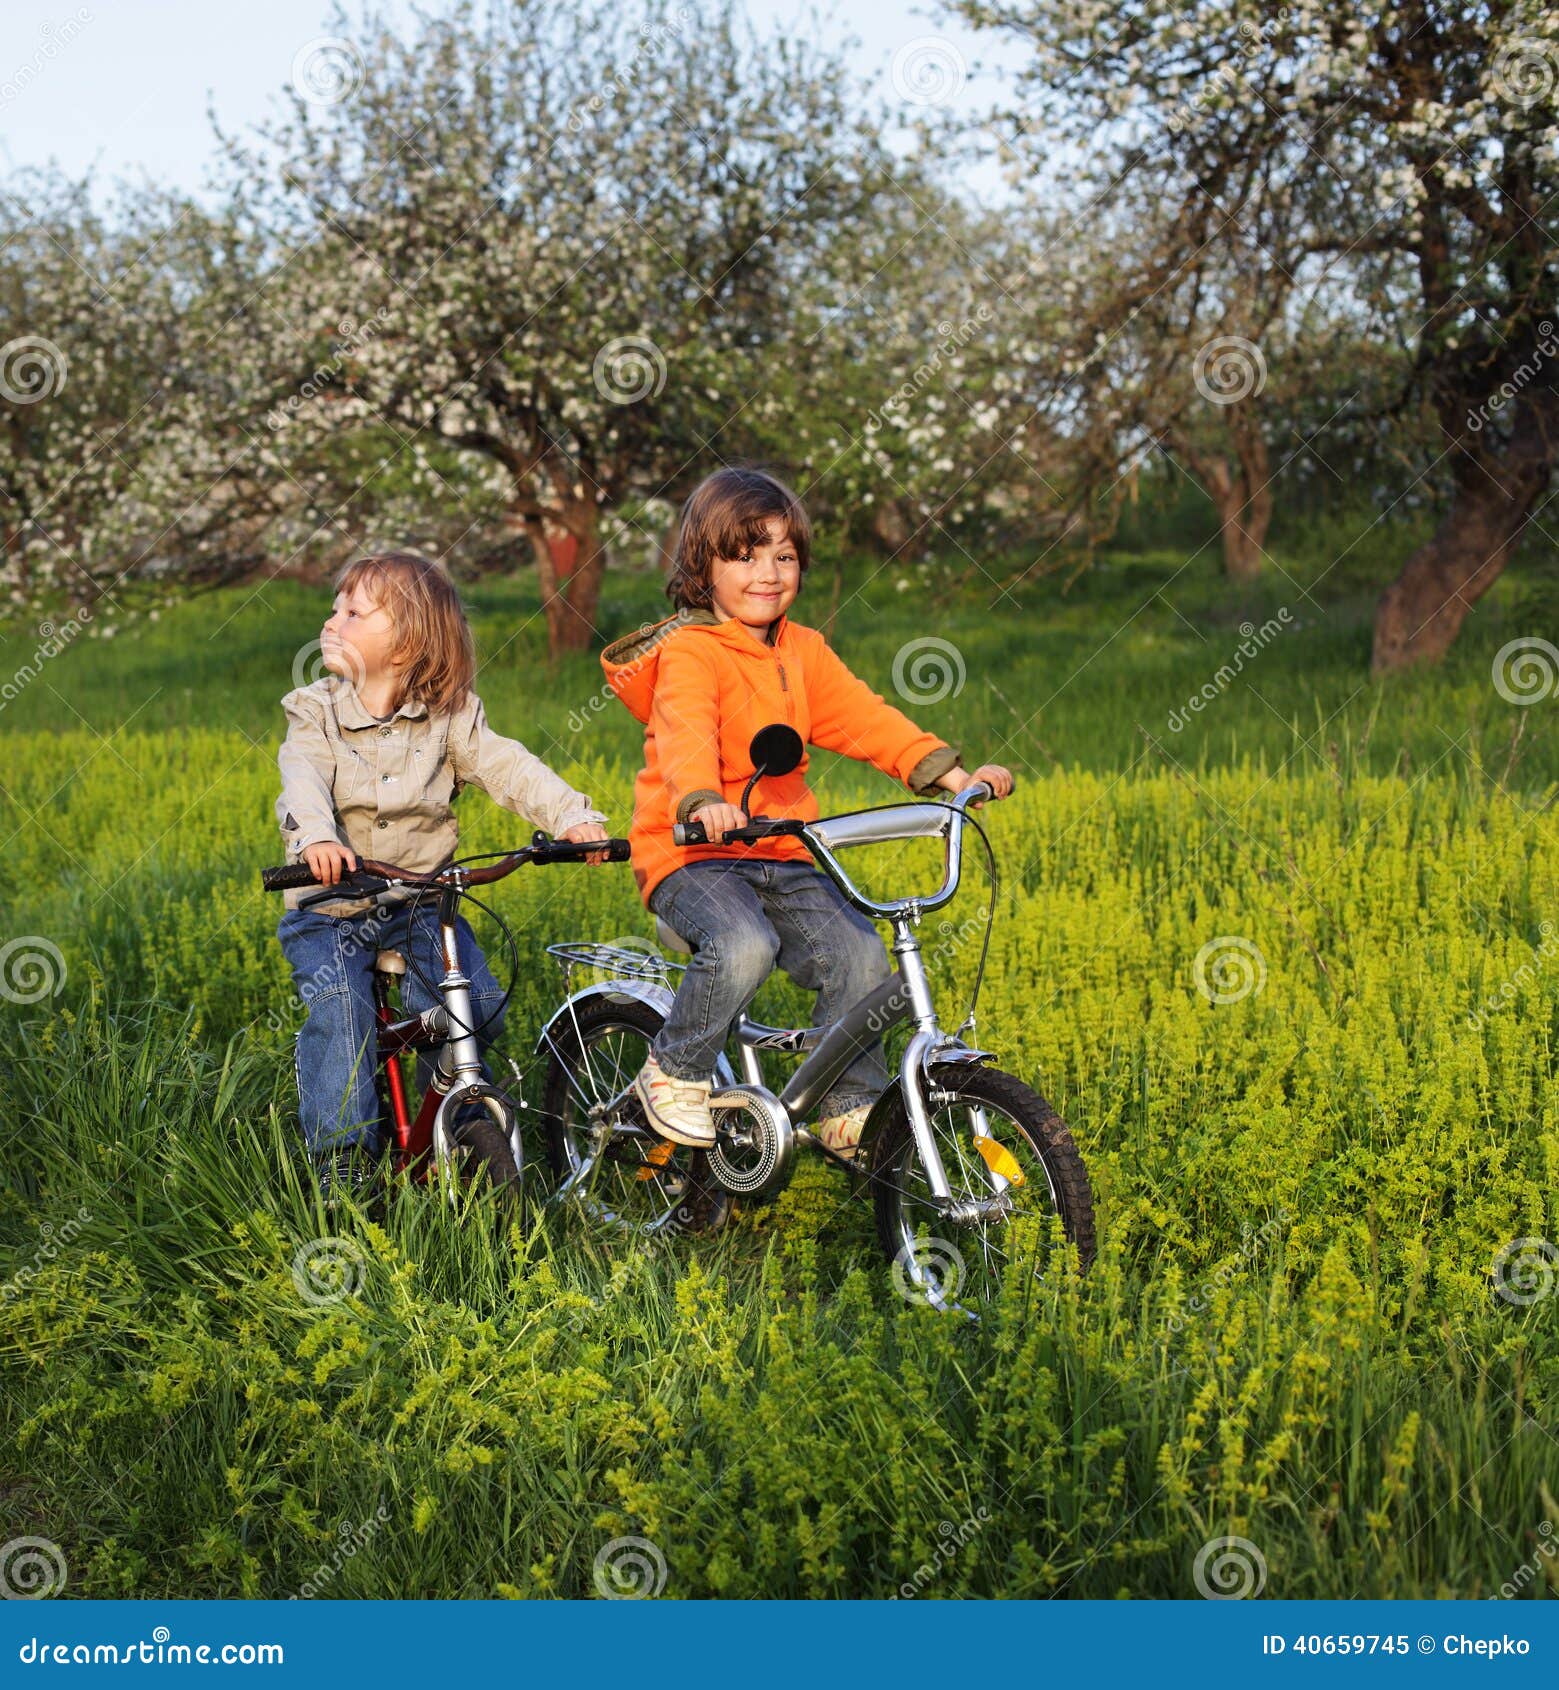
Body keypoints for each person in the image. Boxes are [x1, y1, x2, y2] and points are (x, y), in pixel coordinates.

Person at [601, 467, 1012, 1158]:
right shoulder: (691, 654)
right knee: (742, 946)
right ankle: (672, 1071)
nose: (768, 572)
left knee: (859, 954)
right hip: (690, 853)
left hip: (783, 850)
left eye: (783, 556)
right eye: (745, 555)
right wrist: (704, 802)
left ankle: (846, 1107)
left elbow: (864, 718)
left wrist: (948, 773)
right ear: (702, 567)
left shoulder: (804, 651)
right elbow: (685, 735)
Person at [274, 549, 610, 1196]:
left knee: (475, 1003)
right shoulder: (315, 711)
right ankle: (341, 1161)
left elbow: (508, 767)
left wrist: (571, 816)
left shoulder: (451, 716)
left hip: (421, 902)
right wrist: (316, 838)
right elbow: (302, 780)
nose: (331, 620)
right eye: (335, 605)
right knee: (343, 1016)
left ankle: (448, 1113)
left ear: (406, 644)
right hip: (335, 906)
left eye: (353, 611)